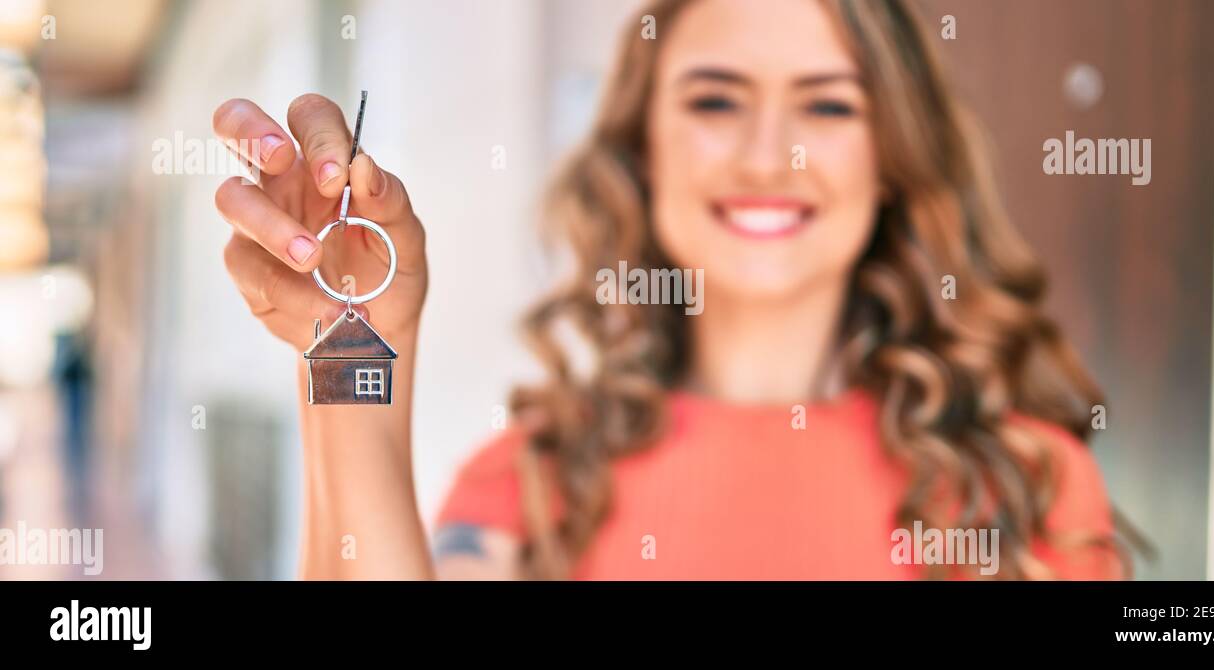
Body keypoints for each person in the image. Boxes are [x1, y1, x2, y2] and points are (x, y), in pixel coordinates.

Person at [212, 0, 1123, 580]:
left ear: (892, 158)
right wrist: (346, 345)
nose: (770, 154)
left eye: (829, 104)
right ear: (644, 151)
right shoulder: (533, 482)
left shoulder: (1026, 486)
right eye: (716, 100)